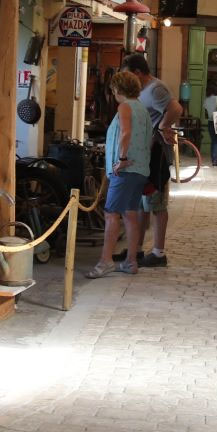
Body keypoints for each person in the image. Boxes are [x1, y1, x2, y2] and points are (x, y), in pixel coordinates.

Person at [87, 69, 149, 278]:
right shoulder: (142, 109)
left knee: (111, 214)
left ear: (117, 89)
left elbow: (126, 132)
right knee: (130, 214)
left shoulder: (125, 106)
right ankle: (131, 261)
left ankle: (106, 261)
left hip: (125, 170)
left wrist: (121, 159)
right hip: (139, 169)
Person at [121, 53, 182, 267]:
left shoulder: (155, 89)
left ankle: (158, 253)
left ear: (138, 72)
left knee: (157, 203)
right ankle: (136, 249)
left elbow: (176, 108)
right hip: (142, 154)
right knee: (141, 203)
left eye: (129, 75)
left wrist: (163, 127)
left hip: (156, 155)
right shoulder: (140, 90)